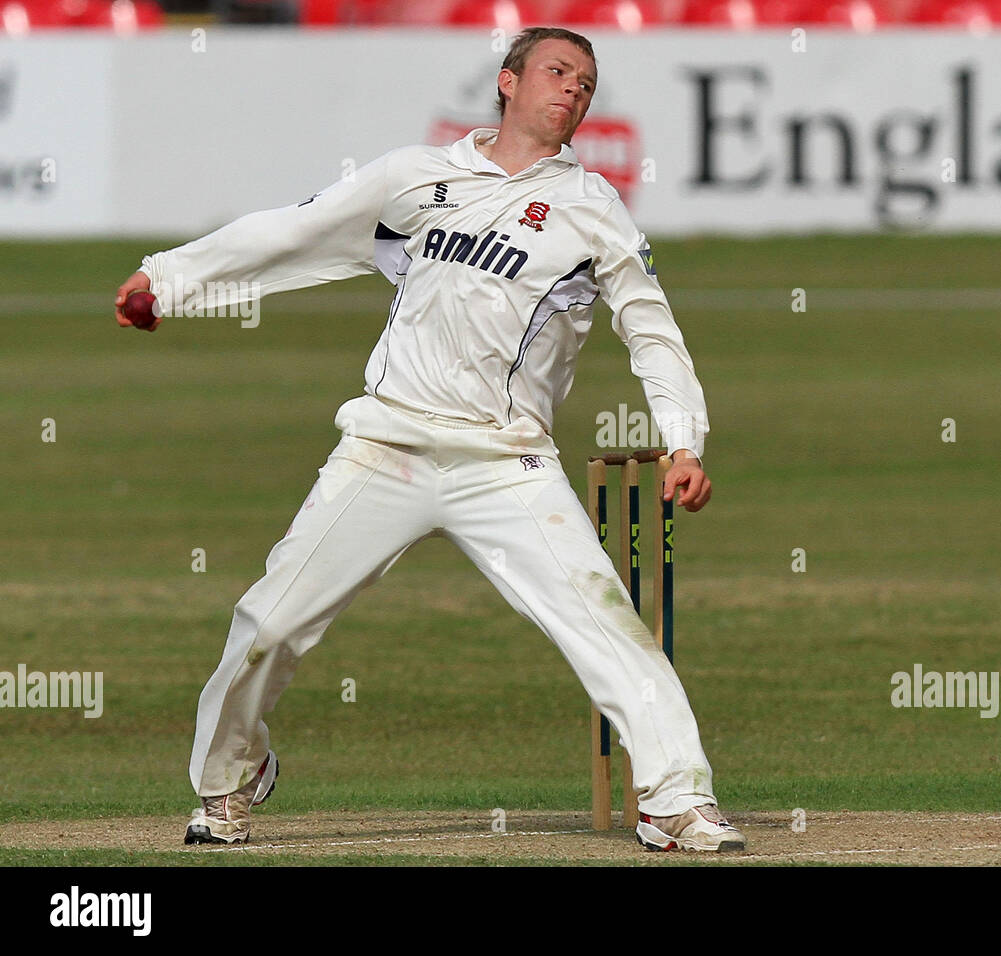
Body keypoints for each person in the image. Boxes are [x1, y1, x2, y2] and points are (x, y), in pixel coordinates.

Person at [113, 26, 745, 853]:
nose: (573, 91)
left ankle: (676, 801)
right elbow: (291, 230)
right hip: (386, 447)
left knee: (608, 624)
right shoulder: (416, 177)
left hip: (506, 461)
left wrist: (683, 440)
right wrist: (169, 280)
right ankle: (230, 782)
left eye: (587, 84)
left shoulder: (593, 209)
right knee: (267, 625)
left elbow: (651, 331)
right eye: (557, 72)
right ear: (507, 82)